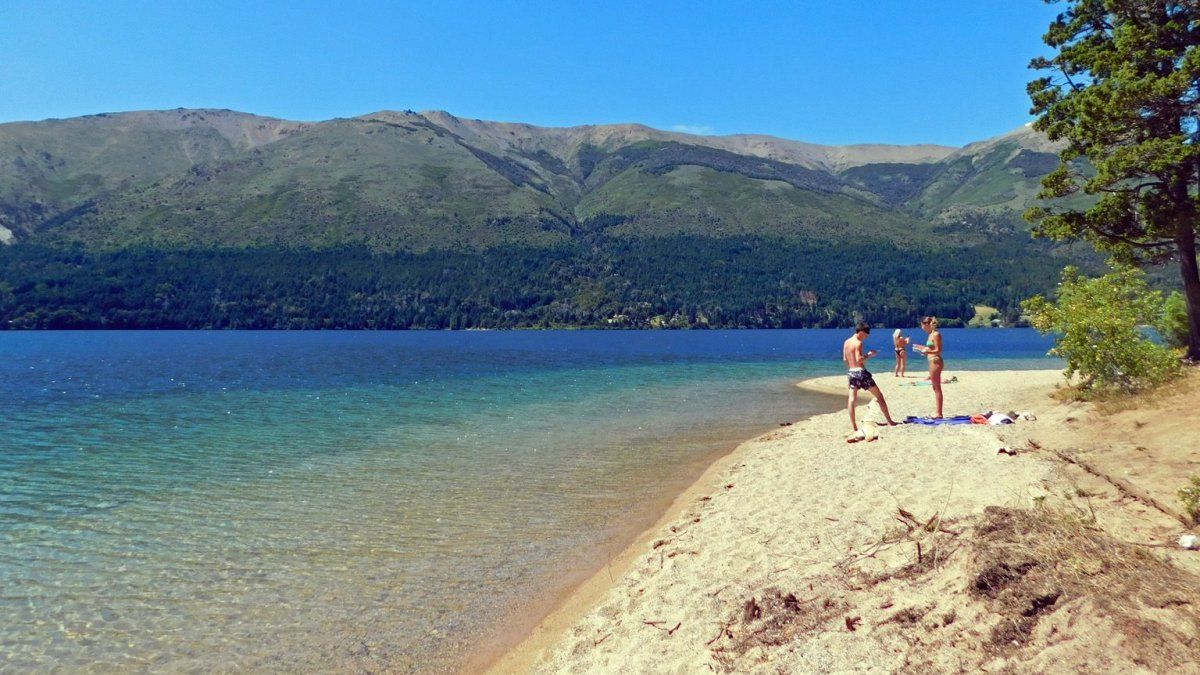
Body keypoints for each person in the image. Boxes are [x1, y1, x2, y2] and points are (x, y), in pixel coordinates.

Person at [842, 322, 898, 441]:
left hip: (851, 372)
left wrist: (852, 368)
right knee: (880, 396)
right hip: (861, 373)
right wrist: (870, 355)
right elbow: (859, 359)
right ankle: (889, 421)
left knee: (852, 399)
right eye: (866, 335)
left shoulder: (846, 342)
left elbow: (844, 359)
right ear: (861, 332)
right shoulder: (858, 343)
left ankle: (854, 427)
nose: (866, 337)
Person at [913, 316, 945, 418]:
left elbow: (938, 350)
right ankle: (938, 412)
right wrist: (921, 348)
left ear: (926, 324)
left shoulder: (936, 334)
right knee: (934, 387)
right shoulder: (930, 334)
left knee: (937, 388)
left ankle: (939, 413)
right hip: (932, 361)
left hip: (936, 361)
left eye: (922, 325)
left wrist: (927, 351)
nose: (922, 327)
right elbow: (930, 349)